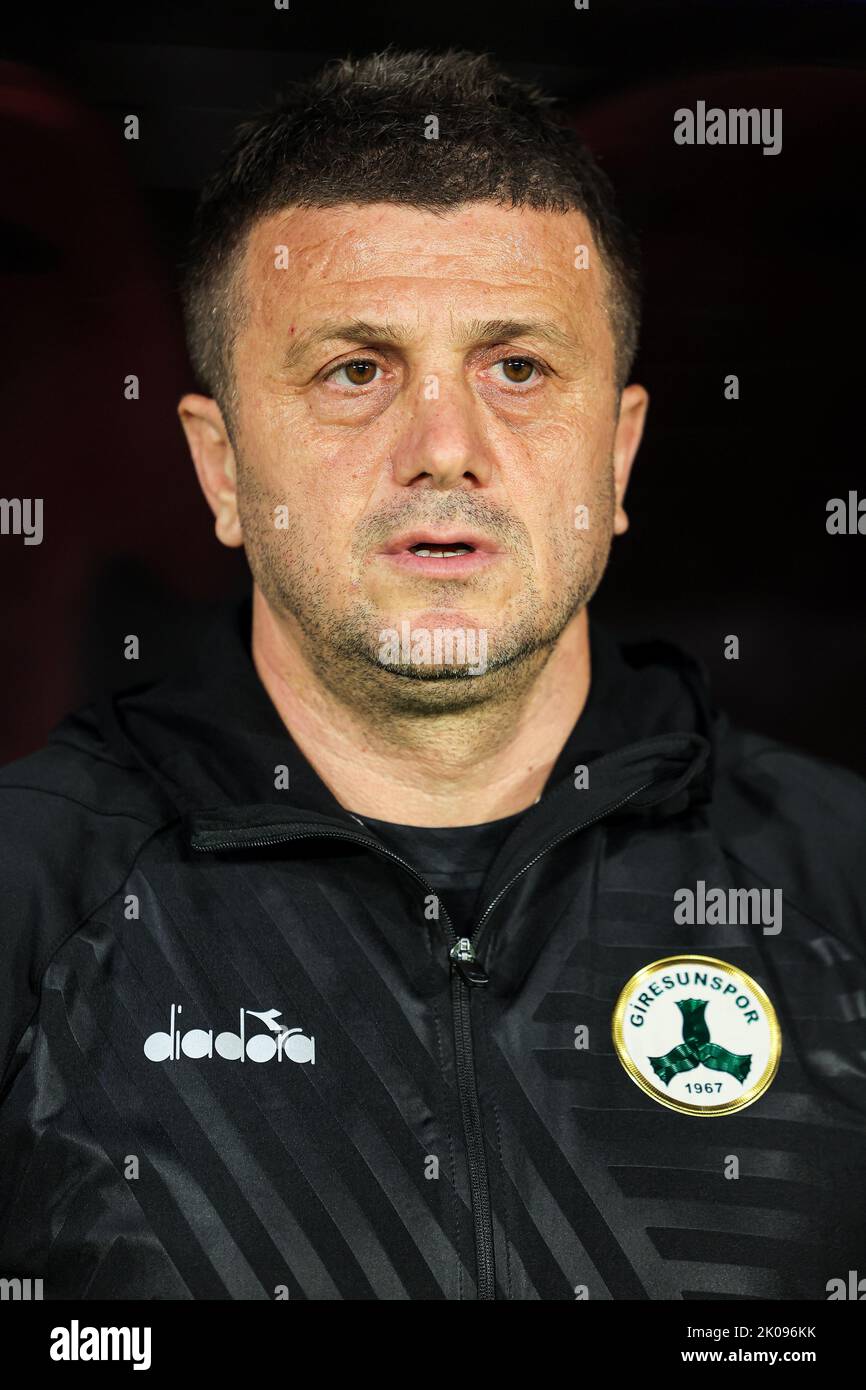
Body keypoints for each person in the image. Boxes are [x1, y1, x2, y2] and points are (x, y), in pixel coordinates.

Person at [1, 48, 864, 1302]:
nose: (444, 449)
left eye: (516, 368)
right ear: (221, 468)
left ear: (617, 456)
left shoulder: (838, 888)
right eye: (355, 370)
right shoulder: (29, 893)